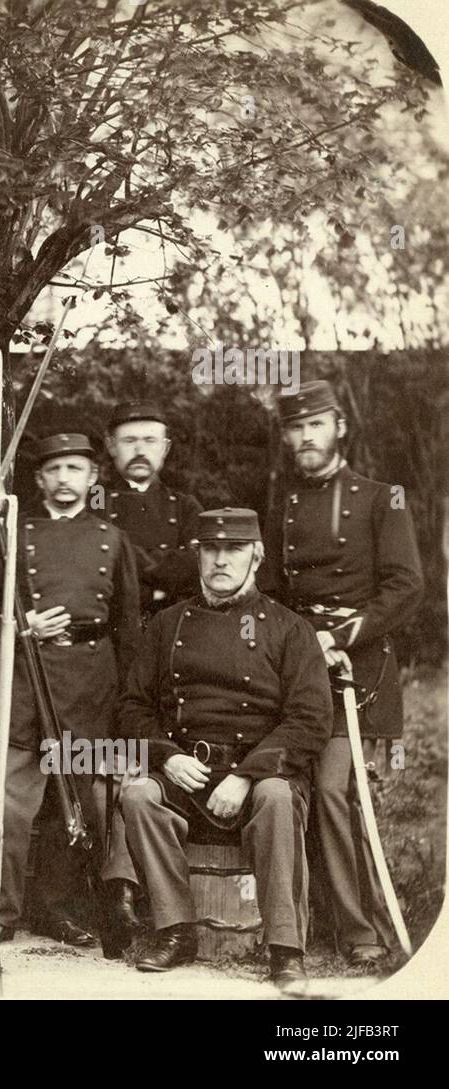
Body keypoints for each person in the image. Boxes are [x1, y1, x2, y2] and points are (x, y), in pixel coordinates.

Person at [118, 508, 333, 986]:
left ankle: (285, 948)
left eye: (233, 550)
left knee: (278, 798)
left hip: (258, 777)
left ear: (256, 556)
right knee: (137, 795)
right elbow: (133, 706)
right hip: (187, 773)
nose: (220, 560)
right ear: (197, 557)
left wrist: (247, 775)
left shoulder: (287, 628)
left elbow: (311, 720)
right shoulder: (167, 625)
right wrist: (166, 757)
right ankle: (176, 930)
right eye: (210, 550)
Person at [263, 380, 423, 967]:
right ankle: (289, 923)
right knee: (280, 783)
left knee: (334, 792)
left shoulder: (386, 498)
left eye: (316, 425)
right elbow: (276, 593)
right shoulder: (281, 506)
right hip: (296, 670)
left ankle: (360, 930)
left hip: (358, 673)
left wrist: (339, 636)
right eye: (295, 428)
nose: (305, 438)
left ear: (339, 428)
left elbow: (406, 589)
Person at [0, 433, 141, 949]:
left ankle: (58, 911)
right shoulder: (11, 536)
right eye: (55, 469)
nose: (65, 479)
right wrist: (21, 627)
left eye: (76, 469)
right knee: (11, 804)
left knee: (79, 804)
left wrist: (128, 705)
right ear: (39, 480)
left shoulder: (114, 539)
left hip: (90, 684)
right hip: (24, 679)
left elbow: (129, 630)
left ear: (93, 478)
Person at [98, 400, 202, 618]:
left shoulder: (185, 506)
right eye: (129, 441)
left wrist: (123, 554)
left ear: (165, 447)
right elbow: (93, 562)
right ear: (111, 446)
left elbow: (196, 566)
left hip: (171, 626)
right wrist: (155, 590)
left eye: (150, 441)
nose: (140, 450)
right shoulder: (96, 499)